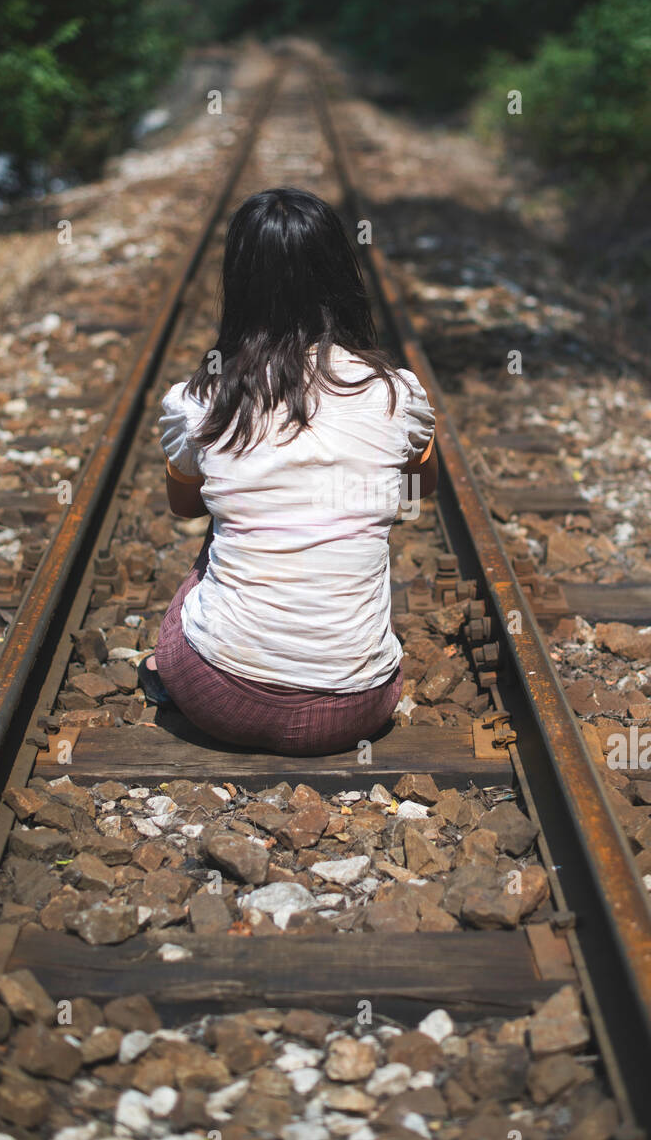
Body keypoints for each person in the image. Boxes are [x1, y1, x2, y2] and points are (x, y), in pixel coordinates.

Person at [143, 186, 437, 755]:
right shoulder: (397, 394)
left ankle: (173, 667)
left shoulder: (200, 400)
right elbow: (419, 490)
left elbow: (185, 508)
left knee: (217, 540)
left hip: (219, 698)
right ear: (340, 276)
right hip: (359, 707)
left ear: (238, 284)